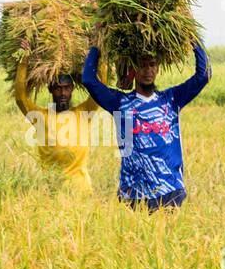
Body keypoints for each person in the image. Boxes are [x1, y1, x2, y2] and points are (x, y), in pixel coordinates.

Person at [81, 36, 211, 211]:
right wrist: (97, 45)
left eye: (152, 64)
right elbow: (89, 79)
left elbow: (204, 75)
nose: (147, 70)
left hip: (170, 191)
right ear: (133, 70)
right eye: (142, 65)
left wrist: (194, 40)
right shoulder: (119, 103)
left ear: (158, 68)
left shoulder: (172, 99)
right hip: (133, 196)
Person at [13, 59, 102, 193]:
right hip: (52, 189)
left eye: (66, 88)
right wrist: (23, 61)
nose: (62, 94)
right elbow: (21, 98)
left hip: (81, 189)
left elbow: (99, 91)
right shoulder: (40, 117)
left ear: (72, 88)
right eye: (58, 88)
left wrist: (101, 59)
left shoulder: (83, 113)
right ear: (50, 89)